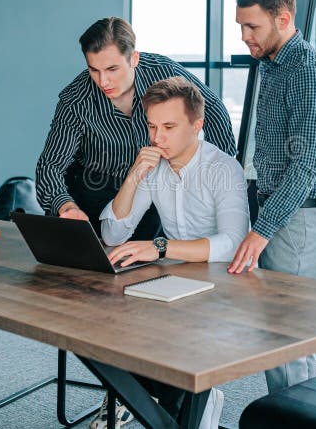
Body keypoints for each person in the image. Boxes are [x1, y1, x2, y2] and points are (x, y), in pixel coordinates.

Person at [98, 76, 249, 429]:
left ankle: (177, 405)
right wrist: (135, 175)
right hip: (171, 277)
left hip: (221, 283)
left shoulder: (223, 168)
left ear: (197, 126)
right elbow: (111, 231)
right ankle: (144, 400)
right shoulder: (154, 166)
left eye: (168, 126)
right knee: (105, 317)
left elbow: (232, 243)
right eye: (152, 126)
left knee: (170, 341)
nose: (157, 137)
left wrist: (161, 247)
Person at [228, 0, 316, 393]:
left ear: (283, 18)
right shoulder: (276, 65)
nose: (244, 36)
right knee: (289, 336)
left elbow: (306, 167)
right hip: (283, 212)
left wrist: (261, 231)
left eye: (251, 26)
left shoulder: (307, 72)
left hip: (300, 221)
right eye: (241, 26)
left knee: (283, 338)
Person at [36, 17, 237, 240]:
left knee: (145, 263)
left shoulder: (163, 72)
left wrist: (218, 170)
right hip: (93, 189)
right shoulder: (76, 100)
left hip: (149, 186)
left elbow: (213, 109)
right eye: (94, 70)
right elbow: (50, 166)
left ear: (134, 58)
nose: (103, 81)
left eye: (112, 69)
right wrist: (66, 207)